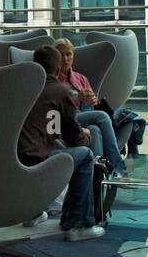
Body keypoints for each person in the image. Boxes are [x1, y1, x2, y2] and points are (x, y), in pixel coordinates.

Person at [17, 45, 105, 241]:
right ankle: (78, 225)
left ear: (35, 65)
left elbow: (46, 126)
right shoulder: (58, 90)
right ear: (57, 70)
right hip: (35, 160)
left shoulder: (20, 88)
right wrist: (88, 136)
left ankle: (34, 214)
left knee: (55, 146)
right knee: (86, 155)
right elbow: (74, 137)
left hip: (13, 158)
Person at [53, 38, 126, 175]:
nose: (65, 59)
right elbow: (53, 109)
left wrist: (93, 102)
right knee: (102, 116)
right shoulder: (52, 80)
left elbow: (92, 107)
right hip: (64, 120)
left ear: (73, 56)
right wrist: (77, 99)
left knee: (94, 130)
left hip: (82, 118)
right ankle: (117, 168)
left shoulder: (81, 79)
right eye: (61, 54)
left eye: (68, 54)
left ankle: (97, 174)